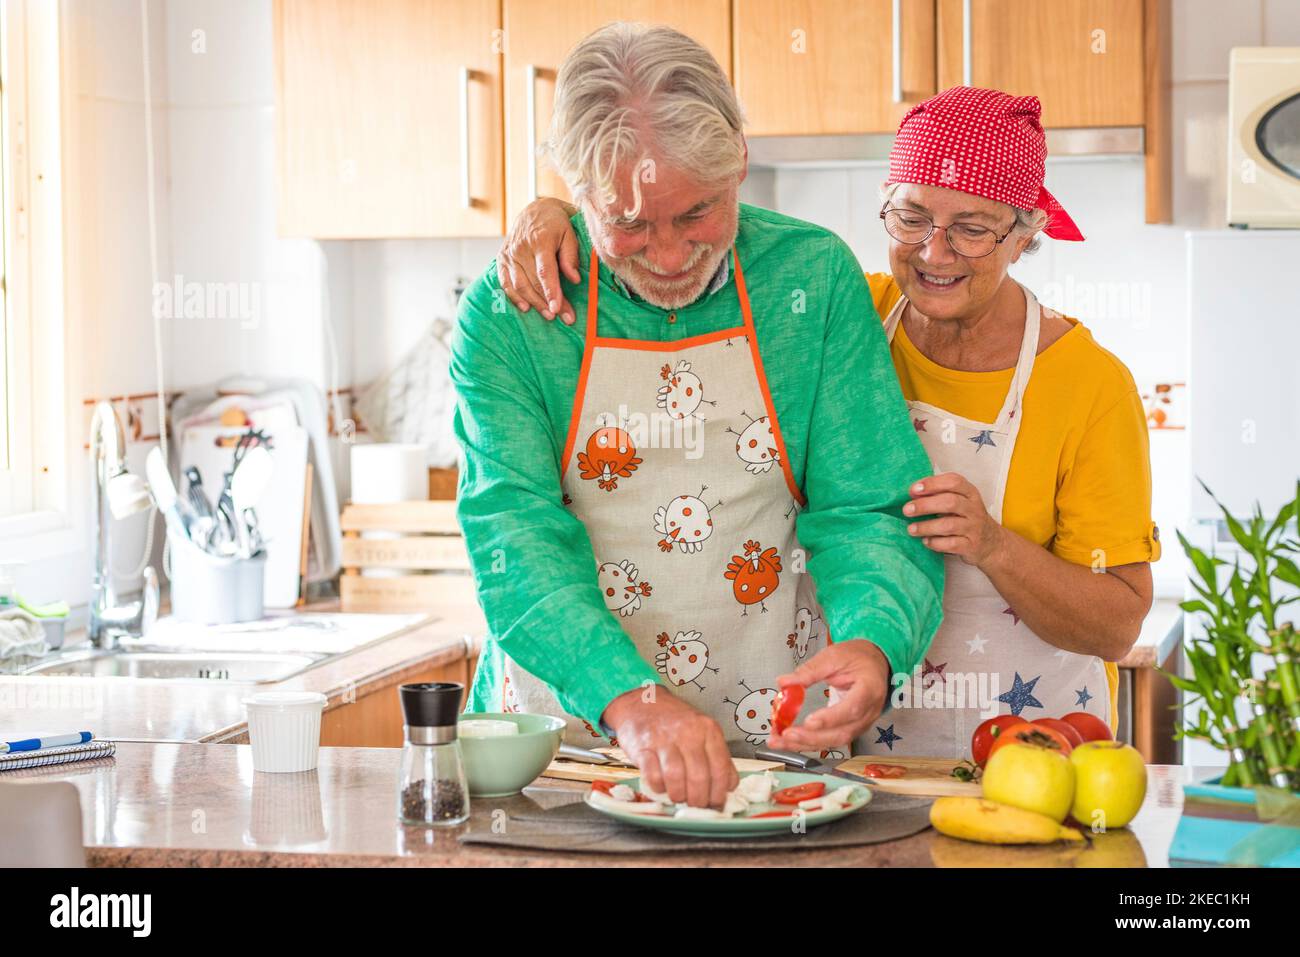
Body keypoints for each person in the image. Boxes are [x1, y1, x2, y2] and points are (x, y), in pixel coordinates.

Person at [494, 85, 1161, 759]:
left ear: (1025, 233)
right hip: (872, 742)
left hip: (1034, 741)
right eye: (912, 217)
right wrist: (554, 213)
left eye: (972, 227)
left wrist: (992, 544)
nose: (935, 253)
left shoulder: (1090, 385)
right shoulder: (844, 308)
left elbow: (1118, 622)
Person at [450, 22, 943, 808]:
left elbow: (868, 508)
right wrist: (630, 701)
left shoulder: (812, 279)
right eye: (632, 224)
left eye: (698, 213)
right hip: (563, 756)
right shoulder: (515, 311)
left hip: (773, 757)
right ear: (574, 193)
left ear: (739, 160)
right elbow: (513, 535)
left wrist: (876, 643)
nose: (672, 255)